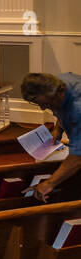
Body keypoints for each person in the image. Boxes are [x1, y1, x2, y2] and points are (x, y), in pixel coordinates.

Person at [20, 72, 81, 200]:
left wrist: (48, 184)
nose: (42, 108)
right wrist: (58, 129)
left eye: (47, 104)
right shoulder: (57, 82)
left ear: (58, 94)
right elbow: (62, 108)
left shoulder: (77, 108)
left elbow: (78, 157)